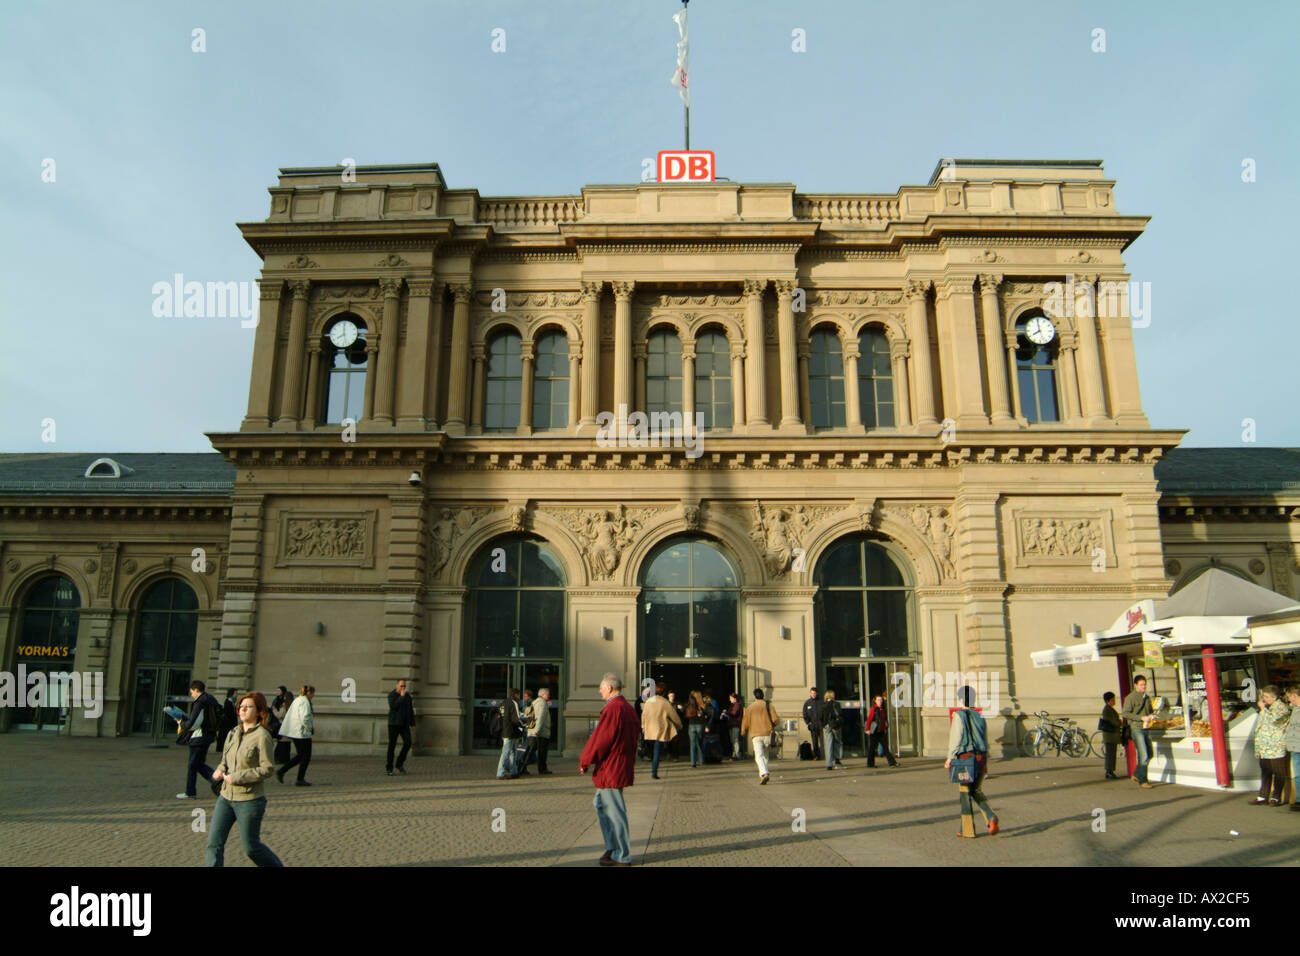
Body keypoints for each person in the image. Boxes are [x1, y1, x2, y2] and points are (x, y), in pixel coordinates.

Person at [207, 691, 283, 867]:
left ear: (258, 711)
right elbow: (224, 761)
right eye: (240, 707)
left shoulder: (263, 737)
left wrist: (238, 777)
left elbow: (268, 769)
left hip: (250, 800)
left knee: (251, 848)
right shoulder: (233, 733)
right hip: (225, 798)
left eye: (247, 707)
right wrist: (219, 770)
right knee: (214, 844)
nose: (242, 710)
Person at [579, 673, 639, 866]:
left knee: (614, 811)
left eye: (601, 688)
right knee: (601, 804)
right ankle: (613, 848)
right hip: (618, 764)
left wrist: (585, 760)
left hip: (611, 767)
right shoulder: (628, 708)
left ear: (610, 688)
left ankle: (621, 854)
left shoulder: (613, 708)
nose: (599, 691)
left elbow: (601, 739)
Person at [945, 685, 998, 838]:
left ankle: (968, 830)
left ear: (961, 699)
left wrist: (950, 757)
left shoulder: (958, 715)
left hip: (965, 759)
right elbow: (985, 739)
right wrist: (986, 763)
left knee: (964, 793)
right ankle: (990, 816)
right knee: (975, 790)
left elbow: (956, 737)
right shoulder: (980, 716)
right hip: (981, 757)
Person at [175, 680, 222, 800]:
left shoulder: (200, 702)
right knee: (198, 764)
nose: (192, 695)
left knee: (193, 765)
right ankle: (216, 781)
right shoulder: (211, 699)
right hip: (208, 735)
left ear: (196, 690)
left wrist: (182, 723)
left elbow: (193, 723)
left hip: (199, 736)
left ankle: (191, 792)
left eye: (192, 692)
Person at [1250, 684, 1292, 805]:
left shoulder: (1281, 708)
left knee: (1278, 772)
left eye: (1267, 697)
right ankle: (1263, 795)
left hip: (1276, 747)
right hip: (1265, 747)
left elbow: (1274, 721)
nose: (1264, 699)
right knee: (1266, 771)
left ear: (1274, 697)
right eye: (1264, 697)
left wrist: (1263, 710)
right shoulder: (1269, 708)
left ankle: (1276, 797)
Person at [1121, 675, 1156, 789]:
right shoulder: (1130, 698)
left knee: (1150, 753)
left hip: (1146, 728)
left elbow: (1150, 711)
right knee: (1143, 755)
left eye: (1145, 684)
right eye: (1141, 684)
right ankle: (1143, 780)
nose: (1143, 687)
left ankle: (1136, 774)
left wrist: (1152, 716)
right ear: (1135, 685)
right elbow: (1125, 713)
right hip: (1136, 728)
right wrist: (1141, 718)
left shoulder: (1147, 697)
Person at [276, 684, 315, 786]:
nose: (313, 696)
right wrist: (310, 728)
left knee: (300, 756)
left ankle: (282, 771)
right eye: (313, 693)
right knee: (306, 756)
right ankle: (299, 778)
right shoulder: (304, 701)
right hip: (302, 733)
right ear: (309, 693)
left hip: (296, 732)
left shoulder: (298, 700)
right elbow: (305, 717)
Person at [640, 682, 681, 779]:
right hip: (660, 729)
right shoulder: (664, 702)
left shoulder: (649, 701)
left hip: (649, 729)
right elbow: (673, 715)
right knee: (657, 751)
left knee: (653, 750)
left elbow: (644, 715)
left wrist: (643, 726)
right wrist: (679, 724)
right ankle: (654, 771)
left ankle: (653, 769)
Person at [741, 688, 780, 784]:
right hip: (767, 734)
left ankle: (764, 773)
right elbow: (776, 719)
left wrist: (743, 732)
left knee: (759, 756)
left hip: (756, 734)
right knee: (765, 756)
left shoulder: (750, 708)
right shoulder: (769, 705)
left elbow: (745, 722)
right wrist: (771, 726)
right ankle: (763, 776)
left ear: (755, 696)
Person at [386, 678, 416, 776]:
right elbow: (393, 706)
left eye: (404, 686)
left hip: (404, 724)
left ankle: (399, 763)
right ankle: (389, 768)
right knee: (392, 746)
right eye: (401, 686)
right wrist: (401, 697)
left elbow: (410, 710)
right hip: (394, 724)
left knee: (408, 743)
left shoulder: (407, 696)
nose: (403, 688)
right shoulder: (392, 695)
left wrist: (412, 722)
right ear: (397, 685)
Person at [523, 687, 554, 775]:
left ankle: (523, 766)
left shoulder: (535, 702)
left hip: (535, 731)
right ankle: (541, 768)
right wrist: (537, 730)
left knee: (532, 750)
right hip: (541, 732)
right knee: (541, 751)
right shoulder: (542, 704)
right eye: (547, 694)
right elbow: (540, 718)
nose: (549, 696)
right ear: (542, 695)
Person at [495, 688, 525, 779]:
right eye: (518, 695)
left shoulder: (503, 703)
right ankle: (501, 773)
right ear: (516, 695)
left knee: (510, 751)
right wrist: (524, 723)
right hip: (512, 731)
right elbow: (516, 718)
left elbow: (500, 715)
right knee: (509, 752)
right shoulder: (513, 703)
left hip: (504, 730)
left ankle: (514, 771)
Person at [865, 693, 899, 768]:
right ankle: (870, 764)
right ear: (875, 701)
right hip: (874, 731)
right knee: (872, 748)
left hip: (881, 731)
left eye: (881, 700)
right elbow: (869, 719)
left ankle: (892, 762)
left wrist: (886, 726)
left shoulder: (882, 709)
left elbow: (884, 720)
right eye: (878, 700)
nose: (880, 701)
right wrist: (867, 729)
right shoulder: (874, 709)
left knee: (886, 747)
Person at [1098, 692, 1122, 780]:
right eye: (1113, 699)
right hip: (1110, 735)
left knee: (1112, 753)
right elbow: (1114, 722)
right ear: (1109, 700)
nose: (1114, 701)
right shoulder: (1107, 710)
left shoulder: (1109, 709)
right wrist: (1119, 722)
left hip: (1112, 735)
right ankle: (1109, 771)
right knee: (1110, 754)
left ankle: (1110, 770)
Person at [1285, 685, 1300, 811]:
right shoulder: (1294, 709)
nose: (1289, 700)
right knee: (1297, 775)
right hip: (1295, 747)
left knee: (1298, 774)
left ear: (1294, 696)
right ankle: (1299, 799)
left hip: (1297, 745)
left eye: (1289, 697)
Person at [821, 689, 844, 770]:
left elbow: (821, 717)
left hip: (827, 726)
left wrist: (823, 724)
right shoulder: (836, 704)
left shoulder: (823, 705)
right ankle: (837, 759)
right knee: (838, 742)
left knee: (828, 744)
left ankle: (829, 763)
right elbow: (840, 714)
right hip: (835, 725)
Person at [685, 690, 707, 767]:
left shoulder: (690, 704)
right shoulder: (702, 705)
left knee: (693, 744)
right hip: (700, 725)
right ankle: (701, 760)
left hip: (691, 725)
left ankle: (693, 762)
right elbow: (707, 714)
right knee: (700, 743)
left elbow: (686, 713)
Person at [803, 687, 823, 762]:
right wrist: (808, 722)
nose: (813, 694)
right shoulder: (807, 703)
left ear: (817, 693)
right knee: (815, 741)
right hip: (813, 725)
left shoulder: (821, 702)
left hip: (821, 724)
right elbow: (805, 714)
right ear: (810, 694)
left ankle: (823, 754)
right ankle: (816, 755)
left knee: (822, 741)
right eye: (812, 693)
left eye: (814, 693)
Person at [216, 688, 238, 754]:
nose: (237, 695)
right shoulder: (228, 702)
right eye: (235, 693)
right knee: (225, 735)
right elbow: (229, 713)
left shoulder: (232, 702)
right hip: (227, 722)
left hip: (230, 722)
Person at [725, 692, 745, 759]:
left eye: (730, 698)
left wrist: (726, 713)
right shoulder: (733, 705)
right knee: (733, 740)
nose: (730, 699)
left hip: (735, 724)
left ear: (734, 698)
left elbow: (734, 713)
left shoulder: (737, 705)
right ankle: (735, 753)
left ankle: (737, 754)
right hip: (732, 724)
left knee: (735, 740)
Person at [668, 691, 685, 760]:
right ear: (668, 696)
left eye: (673, 696)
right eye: (671, 696)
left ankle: (675, 756)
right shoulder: (666, 703)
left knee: (676, 740)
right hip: (668, 724)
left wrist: (681, 709)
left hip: (675, 724)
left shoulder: (677, 704)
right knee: (669, 740)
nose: (672, 697)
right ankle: (670, 753)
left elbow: (682, 712)